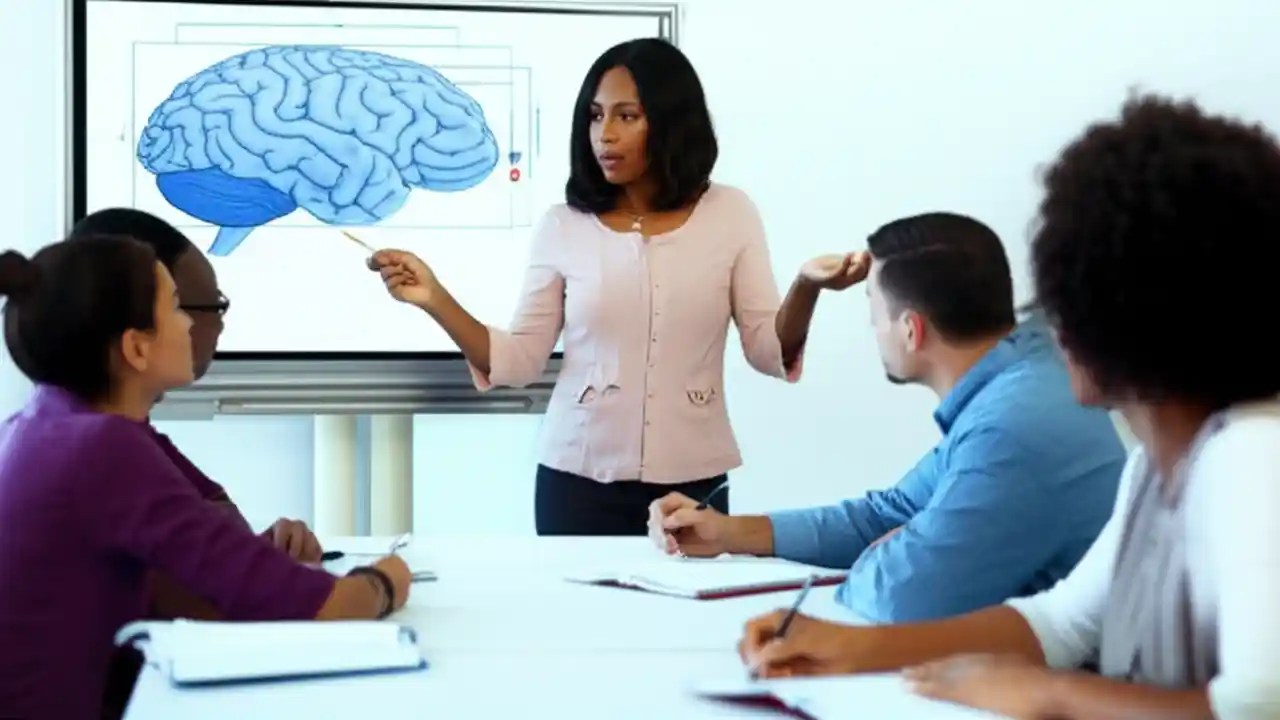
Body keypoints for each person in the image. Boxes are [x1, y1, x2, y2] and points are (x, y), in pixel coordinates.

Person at [736, 95, 1280, 720]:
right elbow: (1059, 621)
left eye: (1061, 299)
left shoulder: (1250, 454)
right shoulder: (1154, 471)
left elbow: (1257, 704)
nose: (1048, 329)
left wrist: (1052, 694)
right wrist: (849, 648)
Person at [369, 37, 858, 535]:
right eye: (595, 116)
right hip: (576, 483)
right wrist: (434, 298)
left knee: (687, 613)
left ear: (670, 122)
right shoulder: (563, 226)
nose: (605, 134)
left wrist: (807, 286)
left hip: (693, 481)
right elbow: (519, 360)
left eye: (627, 116)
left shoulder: (731, 214)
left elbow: (766, 349)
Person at [0, 236, 412, 719]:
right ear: (136, 347)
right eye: (175, 307)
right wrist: (387, 578)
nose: (192, 323)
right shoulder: (105, 448)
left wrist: (256, 568)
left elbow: (208, 572)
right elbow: (331, 607)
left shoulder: (38, 426)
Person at [649, 212, 1128, 623]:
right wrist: (730, 531)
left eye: (873, 311)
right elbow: (890, 513)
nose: (872, 329)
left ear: (910, 330)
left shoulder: (1011, 427)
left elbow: (903, 595)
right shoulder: (1020, 382)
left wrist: (902, 549)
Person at [68, 208, 322, 617]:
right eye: (206, 307)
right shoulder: (102, 448)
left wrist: (265, 553)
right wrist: (381, 583)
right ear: (136, 328)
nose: (217, 326)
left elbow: (215, 560)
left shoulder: (124, 431)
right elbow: (225, 602)